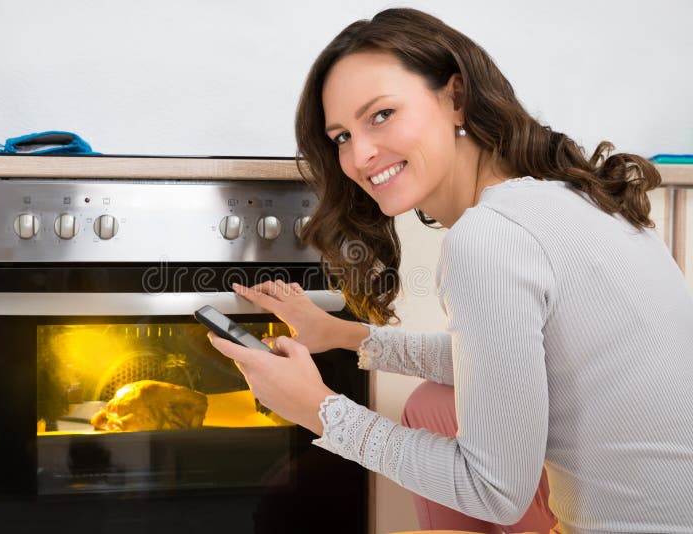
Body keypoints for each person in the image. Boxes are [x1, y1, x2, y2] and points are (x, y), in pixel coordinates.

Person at [206, 8, 693, 534]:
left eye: (381, 114)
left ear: (456, 97)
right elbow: (504, 362)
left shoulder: (491, 235)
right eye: (342, 136)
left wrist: (317, 408)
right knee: (433, 402)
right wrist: (344, 335)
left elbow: (494, 492)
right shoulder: (574, 198)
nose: (360, 154)